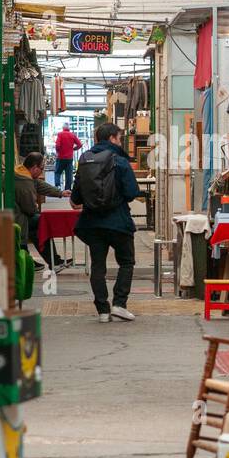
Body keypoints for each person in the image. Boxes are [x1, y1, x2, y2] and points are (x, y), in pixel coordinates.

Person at [71, 122, 141, 322]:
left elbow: (76, 197)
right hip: (118, 222)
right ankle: (119, 304)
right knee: (126, 262)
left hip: (92, 223)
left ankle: (102, 310)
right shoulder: (120, 161)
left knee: (98, 267)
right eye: (119, 138)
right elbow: (131, 193)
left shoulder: (85, 160)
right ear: (112, 138)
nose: (120, 142)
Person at [15, 152, 70, 271]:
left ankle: (52, 261)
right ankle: (53, 261)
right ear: (34, 168)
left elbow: (39, 185)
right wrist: (36, 211)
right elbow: (29, 209)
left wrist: (60, 193)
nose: (42, 170)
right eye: (42, 168)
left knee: (38, 223)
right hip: (14, 218)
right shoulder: (24, 182)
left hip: (14, 215)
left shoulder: (21, 172)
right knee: (42, 222)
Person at [53, 123, 82, 191]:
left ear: (63, 128)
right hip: (69, 158)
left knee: (58, 172)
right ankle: (68, 189)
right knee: (69, 174)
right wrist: (73, 149)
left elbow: (57, 145)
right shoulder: (72, 135)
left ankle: (58, 186)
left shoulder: (60, 134)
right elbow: (80, 145)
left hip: (61, 157)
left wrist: (58, 152)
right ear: (69, 128)